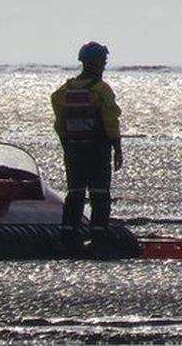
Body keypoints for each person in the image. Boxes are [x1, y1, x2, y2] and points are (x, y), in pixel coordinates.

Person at [51, 41, 123, 249]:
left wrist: (68, 147)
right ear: (95, 63)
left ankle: (67, 237)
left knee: (74, 194)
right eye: (103, 62)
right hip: (97, 150)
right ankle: (99, 238)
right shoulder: (101, 90)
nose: (104, 66)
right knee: (100, 194)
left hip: (74, 149)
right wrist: (117, 149)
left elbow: (60, 125)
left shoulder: (64, 91)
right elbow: (111, 122)